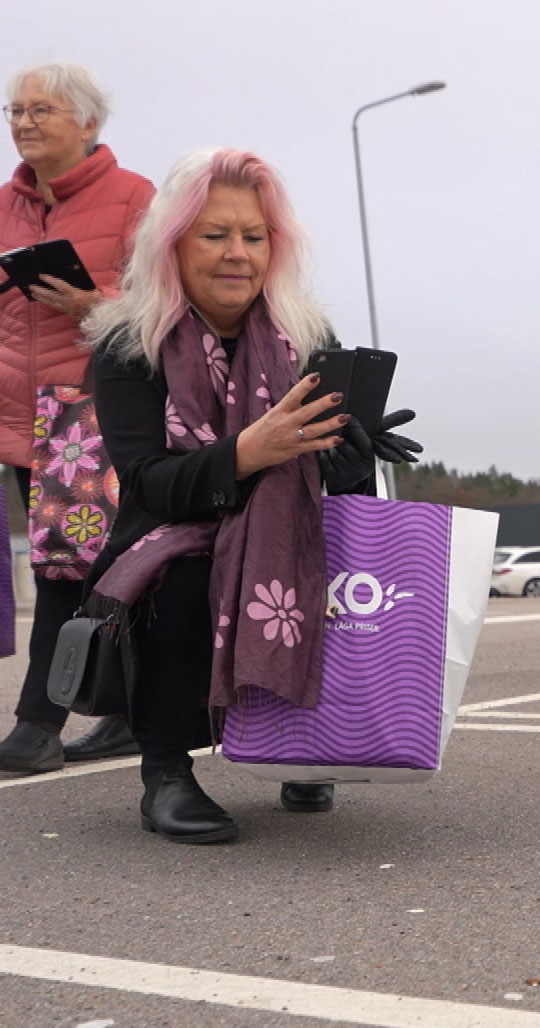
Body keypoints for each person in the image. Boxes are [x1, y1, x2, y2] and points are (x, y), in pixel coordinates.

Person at [83, 147, 419, 843]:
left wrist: (352, 461)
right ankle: (166, 771)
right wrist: (248, 453)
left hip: (283, 528)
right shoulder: (127, 347)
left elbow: (334, 491)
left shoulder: (306, 337)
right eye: (215, 235)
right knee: (182, 577)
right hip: (170, 531)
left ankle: (308, 744)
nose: (237, 253)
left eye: (254, 236)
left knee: (305, 558)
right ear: (173, 243)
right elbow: (147, 484)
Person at [0, 63, 153, 772]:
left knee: (68, 571)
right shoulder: (4, 204)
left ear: (88, 123)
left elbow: (161, 301)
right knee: (92, 570)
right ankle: (124, 712)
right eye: (15, 110)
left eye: (41, 110)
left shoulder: (135, 199)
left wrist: (94, 306)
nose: (24, 122)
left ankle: (37, 726)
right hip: (17, 422)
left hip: (91, 417)